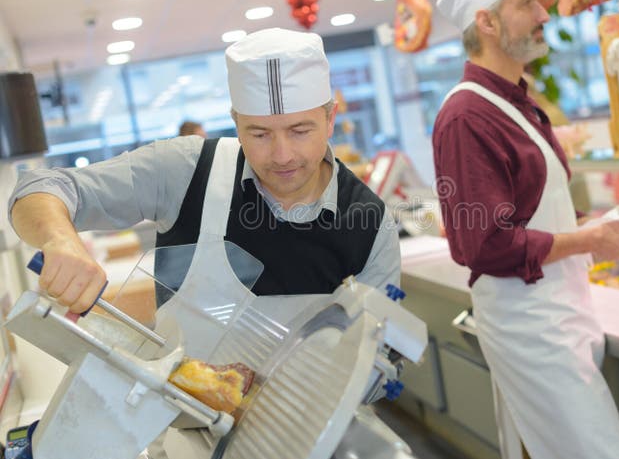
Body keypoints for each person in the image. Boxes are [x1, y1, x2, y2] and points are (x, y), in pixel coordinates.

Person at [433, 0, 619, 459]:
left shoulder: (518, 101)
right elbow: (482, 244)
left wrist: (615, 222)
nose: (544, 15)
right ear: (486, 23)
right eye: (528, 2)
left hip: (559, 314)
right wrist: (590, 240)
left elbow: (536, 213)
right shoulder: (466, 115)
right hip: (530, 326)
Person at [9, 27, 399, 316]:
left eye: (300, 131)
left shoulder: (369, 221)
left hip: (317, 421)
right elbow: (40, 187)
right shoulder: (186, 170)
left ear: (330, 119)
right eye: (259, 133)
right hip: (187, 417)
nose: (282, 155)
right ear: (235, 121)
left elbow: (378, 349)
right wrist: (60, 239)